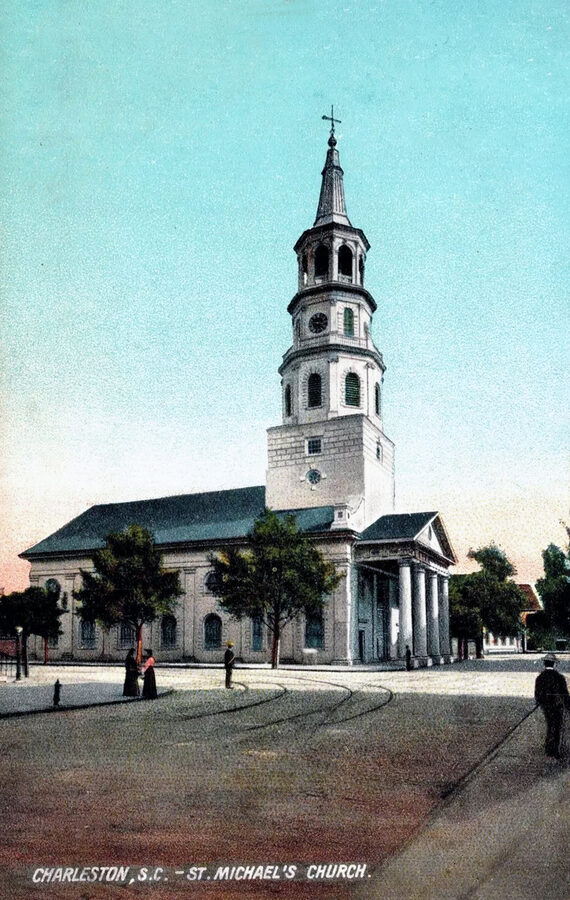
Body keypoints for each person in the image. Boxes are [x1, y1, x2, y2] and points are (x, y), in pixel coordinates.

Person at [534, 653, 569, 759]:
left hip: (546, 706)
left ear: (544, 664)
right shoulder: (559, 677)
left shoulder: (540, 677)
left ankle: (549, 748)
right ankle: (555, 750)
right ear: (554, 664)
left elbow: (537, 693)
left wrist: (540, 703)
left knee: (550, 725)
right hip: (557, 706)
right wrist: (568, 705)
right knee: (557, 726)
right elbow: (564, 694)